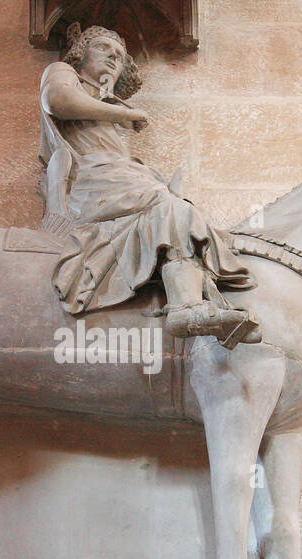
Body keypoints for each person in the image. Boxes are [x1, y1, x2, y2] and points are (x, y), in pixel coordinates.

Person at [39, 24, 260, 346]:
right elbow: (57, 100)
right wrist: (123, 113)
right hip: (91, 183)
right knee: (168, 206)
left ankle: (194, 291)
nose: (113, 58)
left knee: (177, 210)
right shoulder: (62, 72)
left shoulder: (104, 105)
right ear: (79, 54)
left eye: (119, 55)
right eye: (103, 49)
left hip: (117, 178)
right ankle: (186, 309)